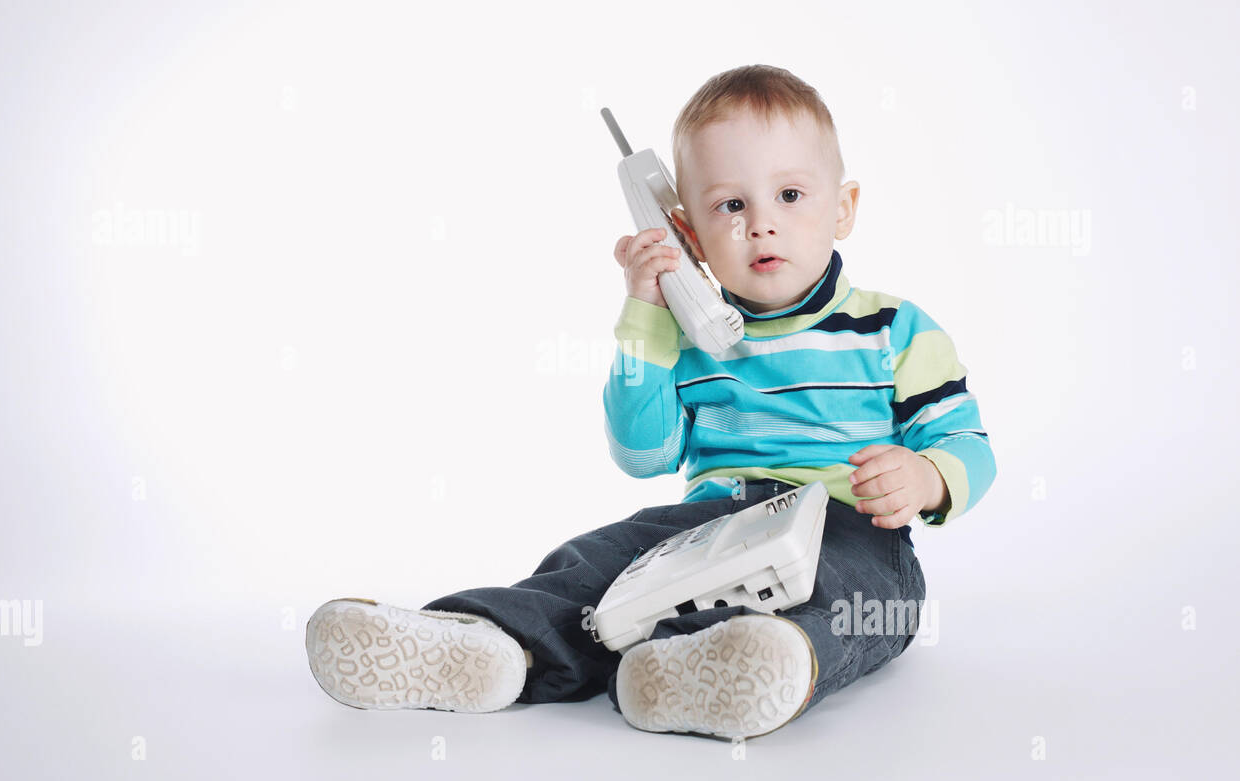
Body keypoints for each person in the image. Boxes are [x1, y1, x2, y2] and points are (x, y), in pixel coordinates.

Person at [305, 64, 996, 740]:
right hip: (711, 517)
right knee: (602, 560)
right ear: (686, 233)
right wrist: (647, 314)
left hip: (847, 526)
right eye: (731, 205)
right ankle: (489, 642)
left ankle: (748, 658)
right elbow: (642, 453)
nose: (761, 224)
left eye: (789, 195)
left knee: (860, 599)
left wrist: (926, 477)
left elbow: (968, 444)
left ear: (842, 209)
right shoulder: (685, 337)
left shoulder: (896, 330)